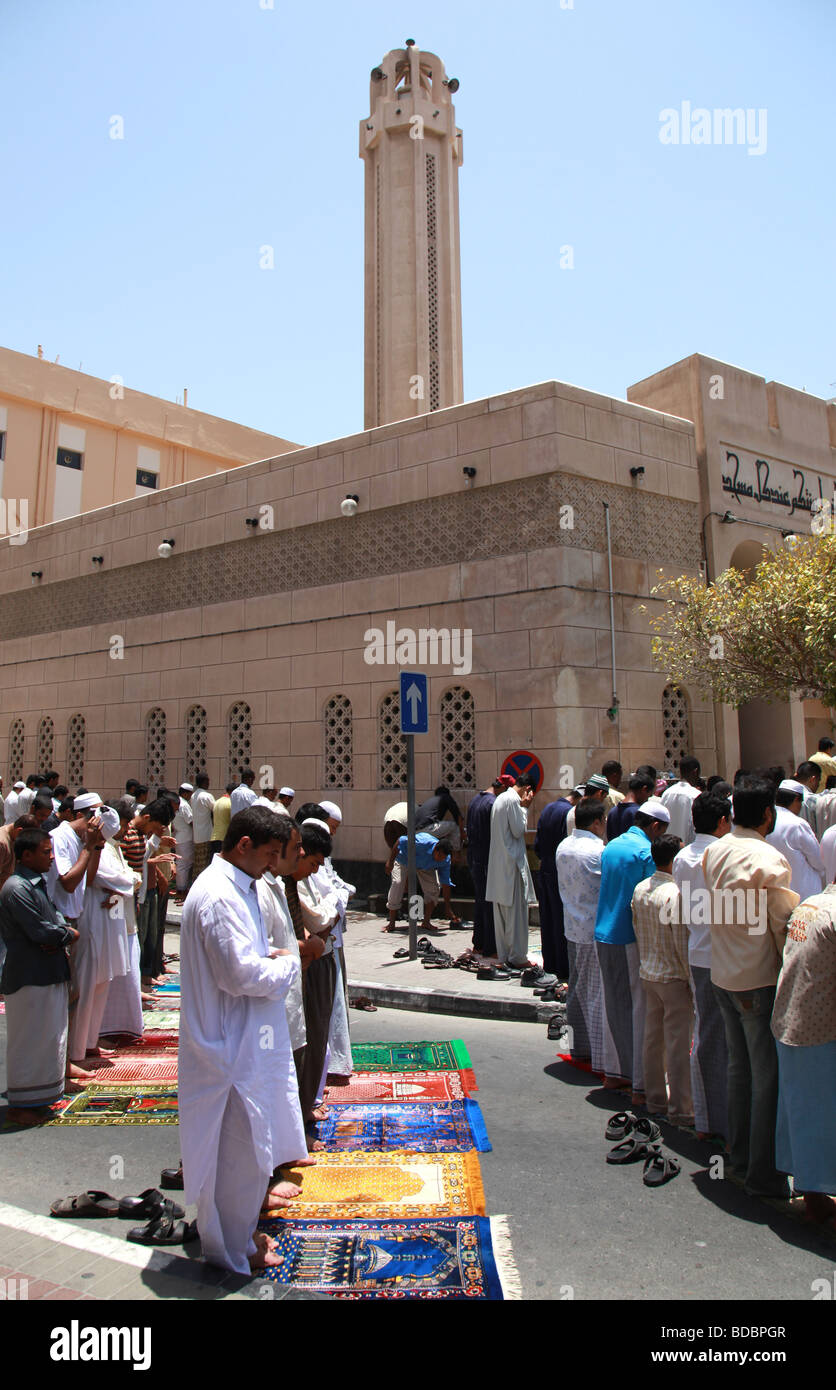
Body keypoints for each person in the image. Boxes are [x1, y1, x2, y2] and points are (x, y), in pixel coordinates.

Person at [179, 805, 306, 1275]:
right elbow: (239, 974)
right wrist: (288, 963)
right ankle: (234, 1248)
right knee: (238, 1153)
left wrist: (268, 958)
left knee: (249, 1148)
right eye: (270, 854)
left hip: (242, 1038)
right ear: (244, 845)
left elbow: (246, 958)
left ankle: (242, 1233)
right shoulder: (218, 896)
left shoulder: (241, 886)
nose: (274, 864)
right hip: (226, 1045)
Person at [702, 778, 798, 1198]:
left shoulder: (715, 850)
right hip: (755, 979)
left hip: (723, 972)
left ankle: (740, 1157)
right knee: (764, 1077)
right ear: (767, 814)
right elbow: (782, 923)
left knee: (739, 1070)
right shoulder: (767, 858)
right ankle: (762, 1172)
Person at [594, 798, 671, 1102]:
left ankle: (614, 1072)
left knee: (613, 1004)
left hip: (603, 933)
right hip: (628, 936)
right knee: (639, 1009)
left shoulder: (612, 845)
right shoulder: (645, 852)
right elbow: (650, 898)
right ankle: (639, 1082)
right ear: (655, 826)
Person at [0, 827, 79, 1124]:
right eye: (45, 852)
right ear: (26, 855)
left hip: (48, 972)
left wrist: (60, 932)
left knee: (48, 1038)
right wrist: (66, 934)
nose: (50, 858)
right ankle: (21, 1105)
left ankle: (41, 1098)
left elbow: (55, 918)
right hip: (29, 975)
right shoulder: (16, 888)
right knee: (29, 1041)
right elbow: (40, 931)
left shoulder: (36, 885)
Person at [771, 880, 836, 1230]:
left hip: (791, 1019)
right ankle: (815, 1200)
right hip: (817, 1026)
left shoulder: (811, 904)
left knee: (800, 1113)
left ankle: (813, 1195)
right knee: (820, 1118)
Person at [672, 791, 731, 1139]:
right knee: (718, 1038)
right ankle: (715, 1122)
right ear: (723, 821)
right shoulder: (719, 855)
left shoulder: (682, 857)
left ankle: (708, 1118)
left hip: (698, 949)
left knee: (705, 1033)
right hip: (719, 954)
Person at [632, 835, 694, 1125]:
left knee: (653, 1039)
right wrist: (690, 980)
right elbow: (682, 943)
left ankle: (655, 1098)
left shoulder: (641, 888)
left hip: (650, 971)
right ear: (673, 860)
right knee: (678, 1045)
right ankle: (681, 1108)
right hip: (673, 976)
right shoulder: (674, 895)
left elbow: (637, 928)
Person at [68, 806, 137, 1067]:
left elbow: (121, 878)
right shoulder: (94, 847)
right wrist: (131, 882)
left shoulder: (108, 846)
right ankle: (76, 1053)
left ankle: (89, 1042)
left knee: (101, 982)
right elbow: (100, 876)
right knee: (86, 985)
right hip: (91, 916)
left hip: (108, 919)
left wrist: (126, 883)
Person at [283, 820, 339, 1131]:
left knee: (312, 1041)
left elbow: (334, 905)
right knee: (299, 1049)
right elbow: (319, 918)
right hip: (289, 978)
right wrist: (307, 943)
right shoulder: (274, 883)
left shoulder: (288, 882)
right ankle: (295, 1125)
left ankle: (300, 1117)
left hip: (302, 969)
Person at [556, 798, 606, 1067]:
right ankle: (598, 1055)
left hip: (572, 925)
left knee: (576, 987)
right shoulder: (597, 850)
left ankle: (578, 1047)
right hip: (592, 929)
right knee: (595, 991)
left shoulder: (564, 846)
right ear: (597, 822)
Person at [485, 773, 539, 971]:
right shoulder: (514, 801)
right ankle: (517, 957)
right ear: (527, 789)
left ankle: (505, 954)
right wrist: (525, 807)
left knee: (502, 917)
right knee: (516, 915)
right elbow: (518, 830)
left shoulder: (500, 799)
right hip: (511, 865)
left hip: (499, 866)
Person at [534, 785, 574, 979]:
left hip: (545, 869)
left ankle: (549, 963)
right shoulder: (569, 813)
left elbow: (537, 844)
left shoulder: (548, 807)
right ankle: (563, 967)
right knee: (560, 919)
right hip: (560, 870)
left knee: (547, 918)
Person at [766, 780, 826, 901]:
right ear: (796, 799)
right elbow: (818, 861)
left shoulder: (766, 820)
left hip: (776, 894)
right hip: (803, 894)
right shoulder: (797, 824)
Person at [384, 830, 449, 934]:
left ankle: (426, 922)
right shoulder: (422, 842)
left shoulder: (445, 860)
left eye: (443, 858)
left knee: (434, 888)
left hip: (424, 866)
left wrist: (448, 908)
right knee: (397, 883)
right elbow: (400, 840)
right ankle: (391, 923)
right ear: (436, 850)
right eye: (440, 856)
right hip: (404, 859)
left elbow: (446, 883)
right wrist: (390, 862)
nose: (441, 860)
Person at [466, 779, 502, 958]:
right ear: (501, 788)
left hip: (474, 857)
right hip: (486, 859)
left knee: (480, 901)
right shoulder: (492, 803)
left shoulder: (474, 800)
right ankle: (490, 947)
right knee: (488, 903)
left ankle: (478, 943)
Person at [660, 756, 702, 845]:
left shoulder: (667, 793)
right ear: (695, 772)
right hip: (688, 847)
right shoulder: (696, 795)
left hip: (667, 847)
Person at [415, 785, 465, 853]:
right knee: (454, 827)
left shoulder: (431, 800)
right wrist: (462, 833)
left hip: (415, 832)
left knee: (445, 830)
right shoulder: (445, 797)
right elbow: (458, 816)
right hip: (427, 829)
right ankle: (456, 855)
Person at [606, 773, 654, 842]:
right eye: (648, 796)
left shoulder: (612, 812)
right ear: (644, 789)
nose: (647, 800)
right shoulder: (639, 813)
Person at [172, 784, 195, 901]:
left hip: (179, 836)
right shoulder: (184, 805)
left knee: (181, 865)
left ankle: (180, 889)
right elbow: (191, 821)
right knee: (184, 865)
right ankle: (182, 890)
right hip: (186, 838)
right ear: (186, 793)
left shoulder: (176, 802)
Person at [191, 774, 215, 878]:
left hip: (197, 835)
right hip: (206, 835)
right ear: (203, 782)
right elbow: (215, 809)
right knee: (205, 864)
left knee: (198, 863)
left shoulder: (193, 795)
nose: (209, 784)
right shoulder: (206, 796)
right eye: (207, 781)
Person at [211, 783, 235, 857]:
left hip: (214, 836)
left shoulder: (217, 802)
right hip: (224, 837)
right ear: (232, 791)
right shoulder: (230, 802)